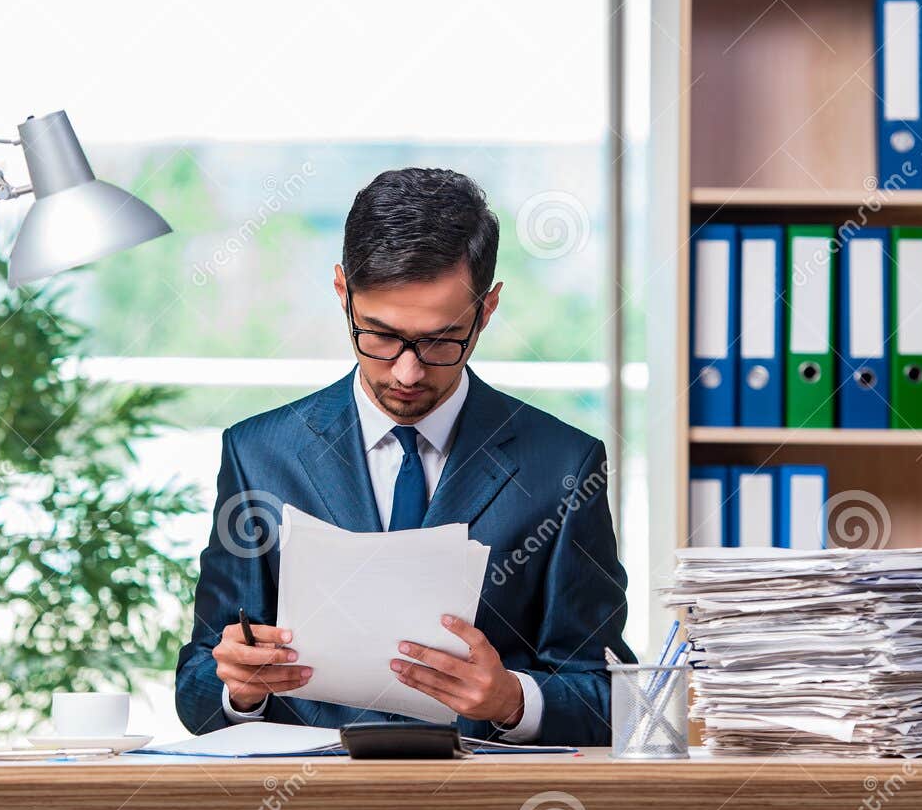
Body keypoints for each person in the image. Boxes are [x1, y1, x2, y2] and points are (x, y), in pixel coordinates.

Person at [174, 168, 633, 745]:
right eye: (381, 336)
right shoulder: (257, 454)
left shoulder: (564, 465)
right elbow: (196, 690)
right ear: (343, 293)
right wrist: (239, 688)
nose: (408, 372)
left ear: (486, 310)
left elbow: (611, 697)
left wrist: (513, 699)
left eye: (442, 340)